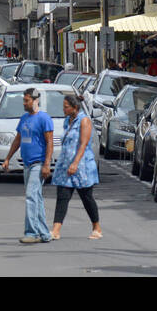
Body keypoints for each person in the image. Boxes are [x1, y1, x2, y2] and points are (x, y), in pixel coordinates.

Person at [2, 87, 54, 244]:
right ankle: (44, 233)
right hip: (27, 164)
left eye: (27, 100)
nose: (24, 103)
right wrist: (7, 158)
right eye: (23, 100)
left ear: (35, 100)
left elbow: (49, 142)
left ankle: (31, 233)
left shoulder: (44, 118)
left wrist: (46, 165)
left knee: (31, 196)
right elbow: (18, 139)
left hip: (38, 164)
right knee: (36, 198)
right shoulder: (24, 118)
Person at [50, 94, 102, 241]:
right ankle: (56, 230)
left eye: (66, 107)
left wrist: (75, 163)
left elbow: (83, 144)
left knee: (86, 197)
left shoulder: (84, 121)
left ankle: (96, 227)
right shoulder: (68, 121)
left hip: (81, 166)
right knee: (62, 197)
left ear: (75, 108)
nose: (63, 109)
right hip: (66, 165)